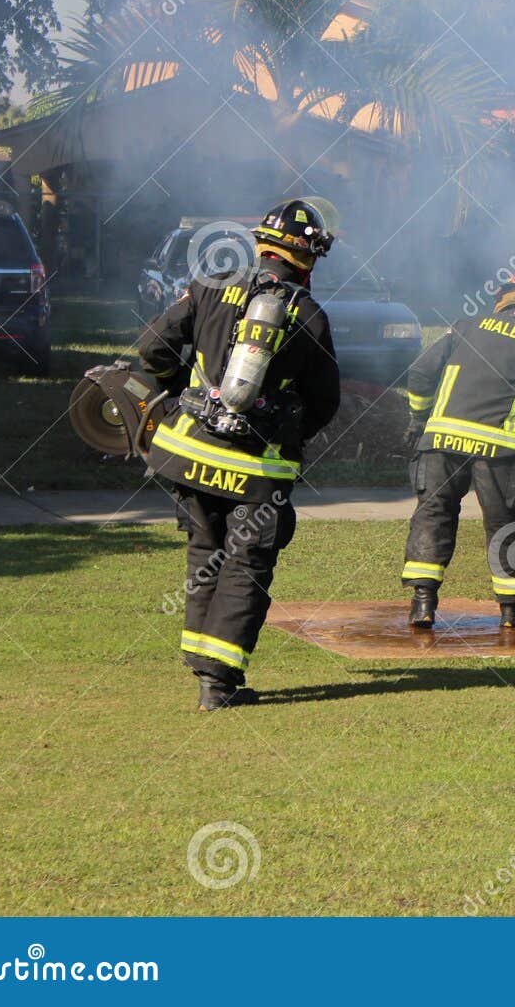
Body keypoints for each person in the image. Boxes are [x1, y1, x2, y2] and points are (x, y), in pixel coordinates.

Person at [139, 200, 341, 711]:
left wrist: (181, 396)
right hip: (255, 470)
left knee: (205, 554)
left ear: (260, 243)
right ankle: (219, 684)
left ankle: (202, 672)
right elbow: (325, 401)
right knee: (245, 566)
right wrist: (287, 436)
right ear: (307, 257)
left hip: (188, 454)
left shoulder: (210, 284)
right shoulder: (309, 313)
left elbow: (153, 348)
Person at [400, 269, 515, 628]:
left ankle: (423, 604)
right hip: (504, 452)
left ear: (502, 302)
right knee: (505, 527)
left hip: (441, 443)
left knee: (433, 515)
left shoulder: (466, 328)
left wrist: (420, 420)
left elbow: (418, 374)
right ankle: (512, 612)